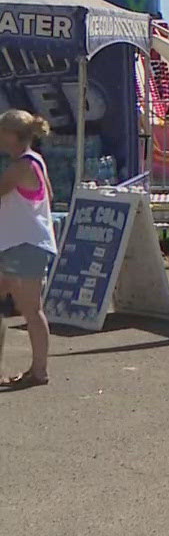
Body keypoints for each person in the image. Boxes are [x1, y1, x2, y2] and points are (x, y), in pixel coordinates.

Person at [0, 110, 58, 387]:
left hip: (25, 246)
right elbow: (50, 194)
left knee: (31, 310)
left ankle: (39, 371)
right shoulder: (36, 162)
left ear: (11, 135)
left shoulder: (20, 167)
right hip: (17, 244)